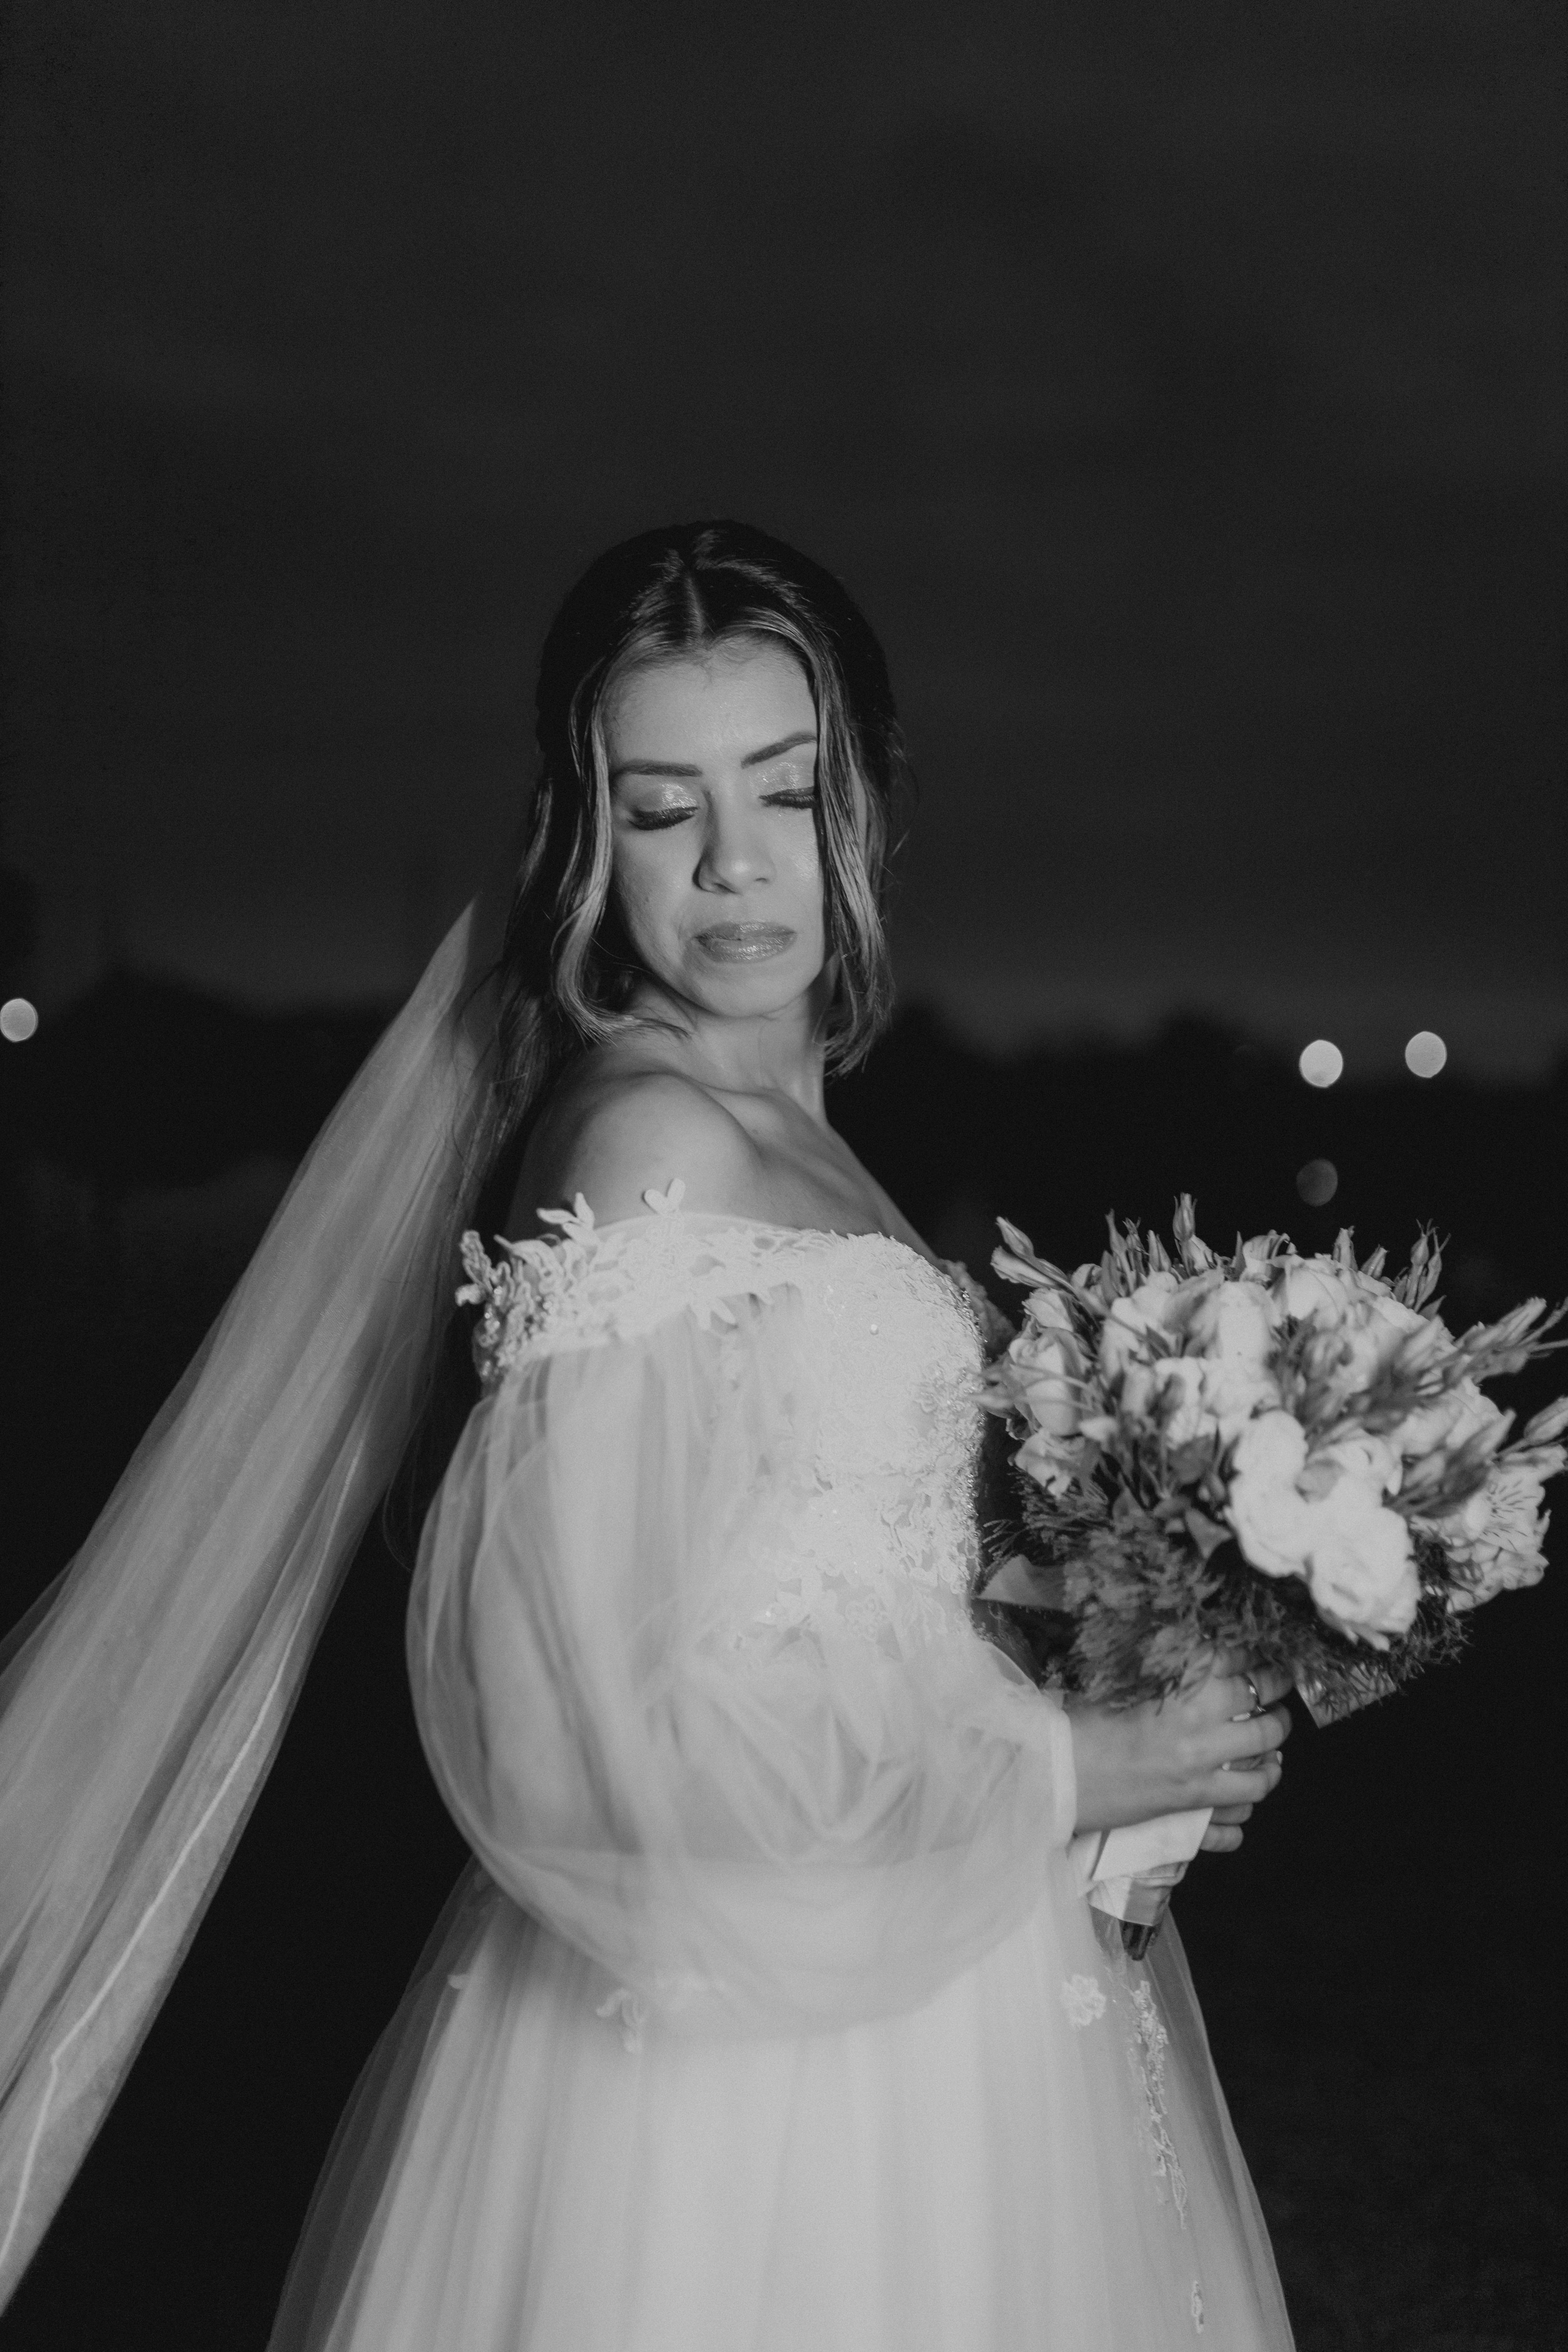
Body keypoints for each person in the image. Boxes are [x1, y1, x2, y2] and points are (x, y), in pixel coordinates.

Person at [1, 522, 1294, 2348]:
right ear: (582, 833)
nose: (734, 865)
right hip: (740, 2058)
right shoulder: (650, 1145)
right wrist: (1068, 1772)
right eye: (661, 805)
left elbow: (805, 1573)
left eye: (779, 789)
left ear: (863, 798)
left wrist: (1113, 1638)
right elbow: (566, 1722)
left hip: (931, 1951)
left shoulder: (804, 1138)